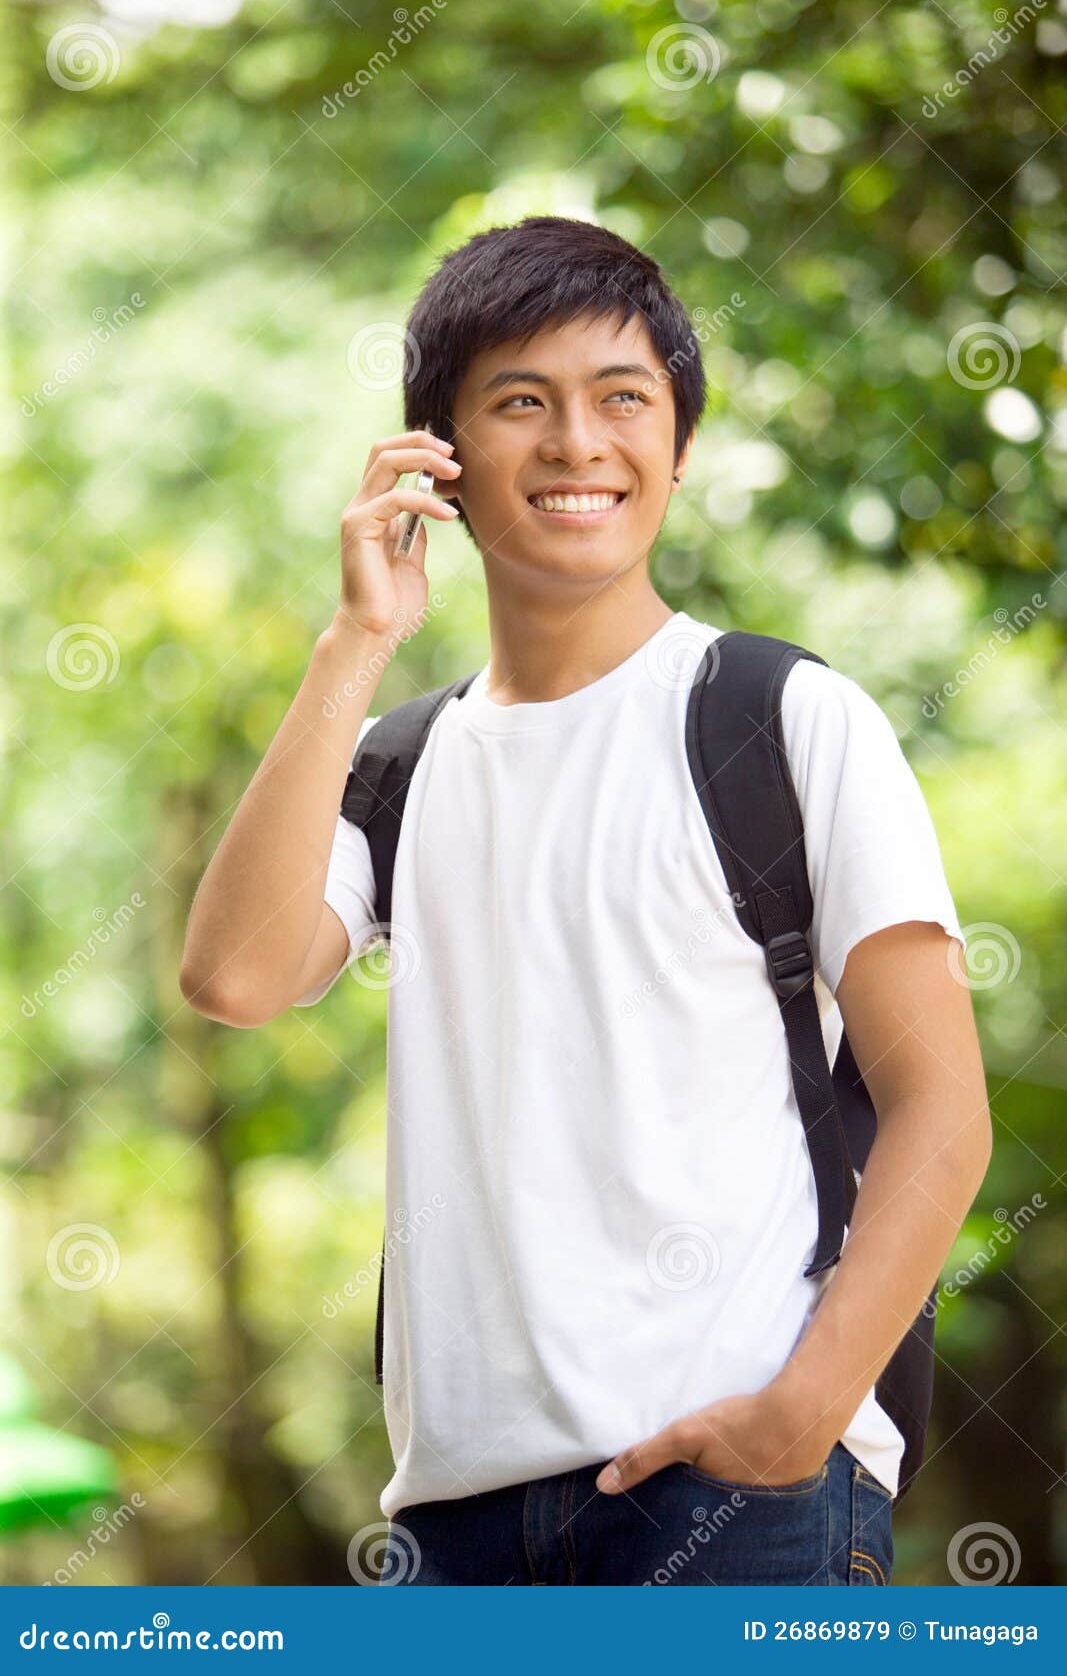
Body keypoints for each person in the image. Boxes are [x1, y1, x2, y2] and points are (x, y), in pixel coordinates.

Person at [180, 216, 992, 1586]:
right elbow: (236, 977)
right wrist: (357, 638)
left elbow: (943, 1108)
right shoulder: (400, 763)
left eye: (623, 399)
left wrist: (802, 1415)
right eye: (520, 403)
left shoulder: (781, 716)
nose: (577, 444)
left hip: (733, 1495)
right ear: (438, 454)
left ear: (679, 444)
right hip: (456, 1519)